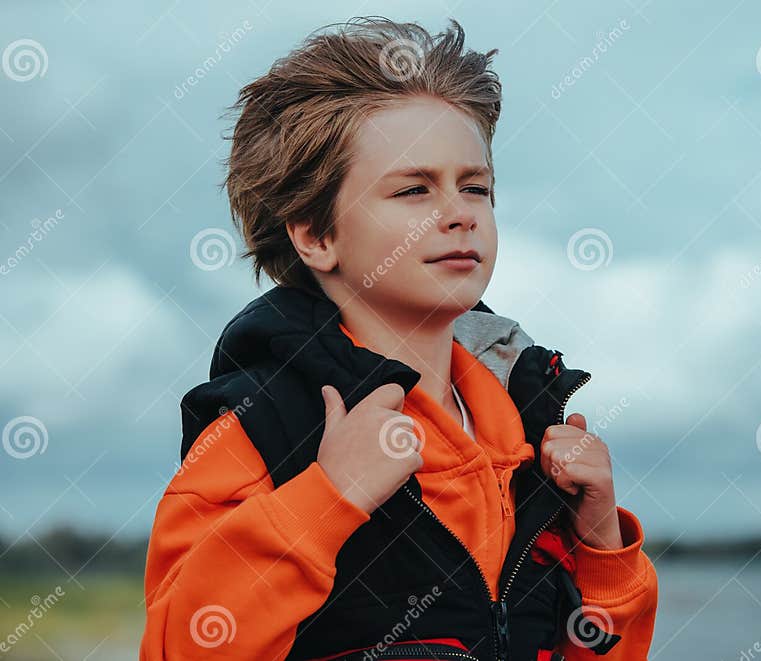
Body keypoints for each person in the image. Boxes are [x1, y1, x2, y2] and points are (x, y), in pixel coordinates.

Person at [140, 16, 658, 660]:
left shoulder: (528, 432)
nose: (460, 213)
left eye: (476, 187)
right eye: (414, 189)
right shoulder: (261, 429)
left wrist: (603, 549)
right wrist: (328, 499)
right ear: (316, 236)